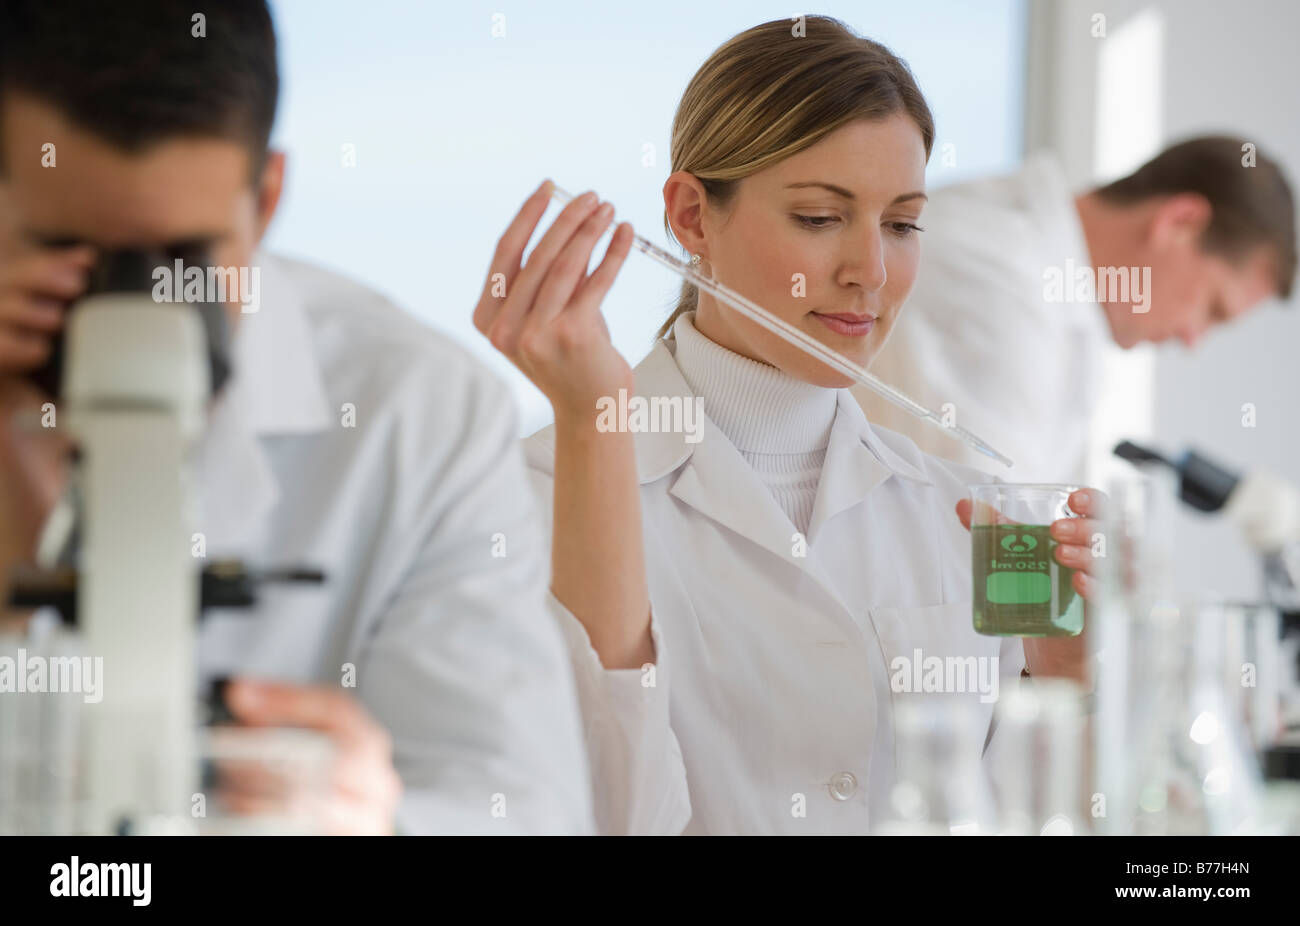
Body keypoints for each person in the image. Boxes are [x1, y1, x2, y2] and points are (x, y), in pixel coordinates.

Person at [474, 16, 1105, 835]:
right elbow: (597, 817)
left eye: (902, 223)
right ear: (693, 216)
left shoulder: (972, 517)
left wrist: (1065, 687)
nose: (870, 271)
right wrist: (595, 425)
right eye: (819, 217)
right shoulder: (531, 499)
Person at [0, 0, 592, 834]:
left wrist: (376, 819)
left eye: (183, 263)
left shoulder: (419, 412)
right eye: (68, 251)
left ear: (267, 199)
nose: (126, 307)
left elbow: (526, 809)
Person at [855, 137, 1296, 483]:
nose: (1193, 339)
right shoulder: (1004, 274)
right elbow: (1001, 544)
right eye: (1213, 309)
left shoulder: (1056, 289)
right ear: (1179, 224)